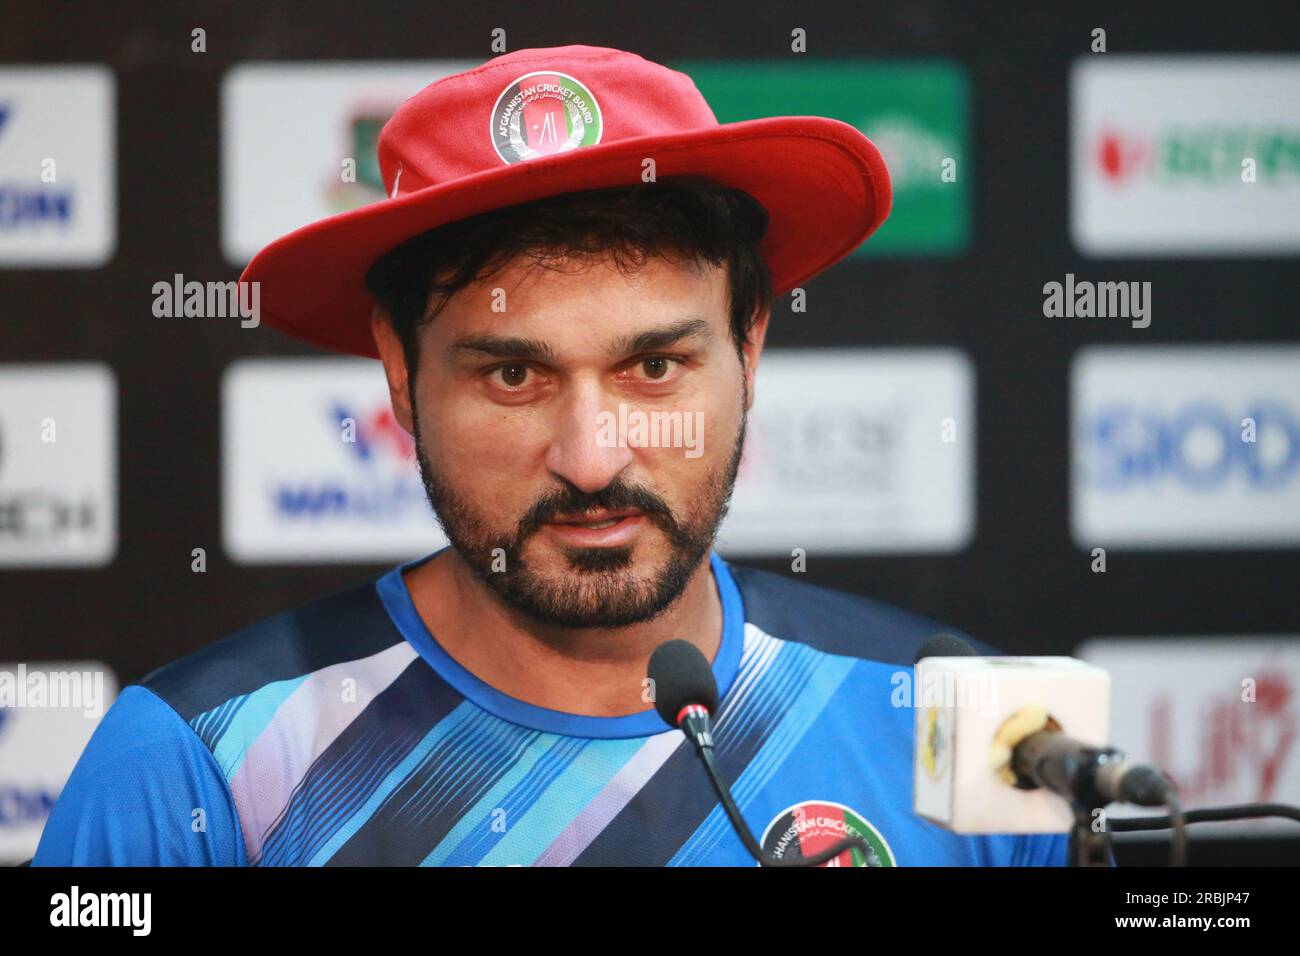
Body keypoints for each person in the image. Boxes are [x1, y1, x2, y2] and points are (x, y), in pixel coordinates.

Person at [34, 44, 1067, 866]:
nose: (590, 456)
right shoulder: (194, 764)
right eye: (513, 377)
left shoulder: (968, 723)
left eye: (653, 366)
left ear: (748, 343)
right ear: (399, 372)